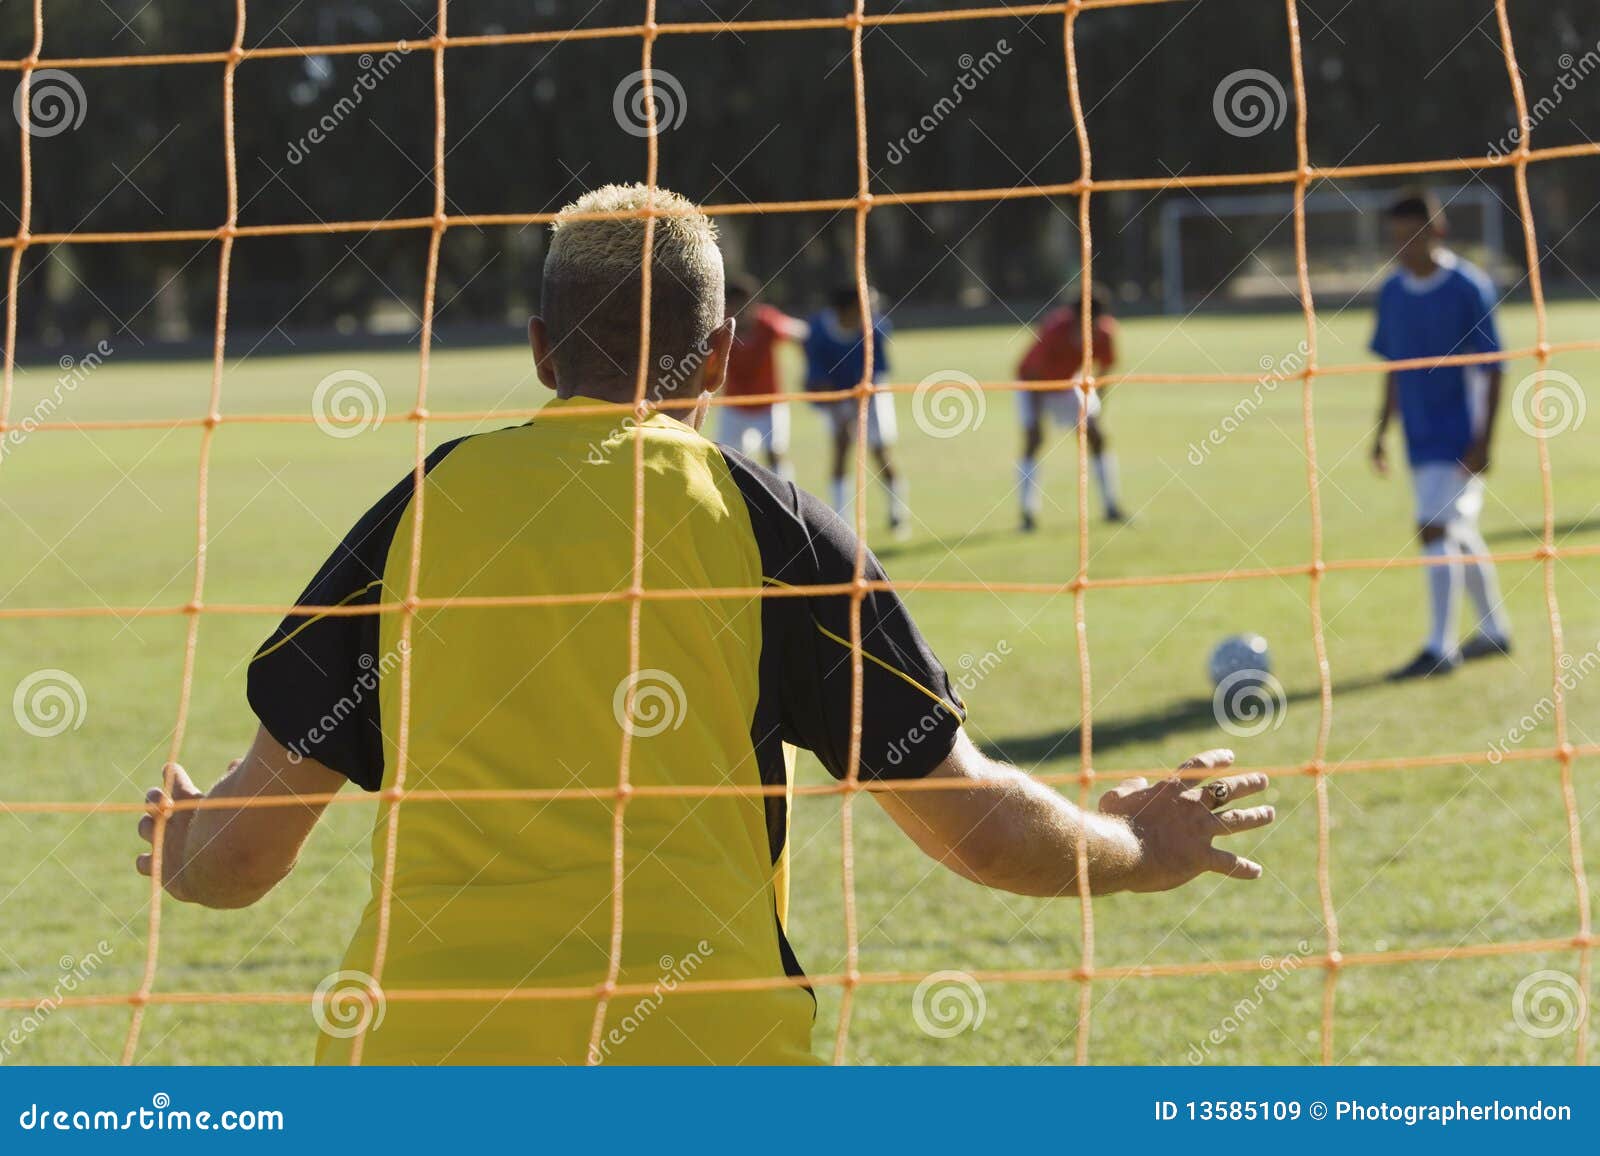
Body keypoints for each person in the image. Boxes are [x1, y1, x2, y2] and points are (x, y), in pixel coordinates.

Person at [135, 183, 1275, 1066]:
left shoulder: (416, 513)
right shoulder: (776, 528)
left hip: (414, 1070)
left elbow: (235, 860)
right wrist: (1138, 847)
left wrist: (183, 845)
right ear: (723, 356)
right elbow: (972, 828)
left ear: (541, 350)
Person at [1370, 187, 1513, 680]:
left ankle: (1439, 648)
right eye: (1396, 238)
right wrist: (1381, 431)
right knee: (1455, 531)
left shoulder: (1468, 286)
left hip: (1459, 434)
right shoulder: (1392, 293)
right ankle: (1494, 631)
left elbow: (1494, 367)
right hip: (1419, 435)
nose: (1405, 247)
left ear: (1438, 232)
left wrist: (1485, 441)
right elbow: (1394, 367)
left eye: (1413, 236)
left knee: (1432, 527)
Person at [803, 283, 909, 535]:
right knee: (840, 449)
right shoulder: (818, 331)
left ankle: (897, 513)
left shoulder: (877, 328)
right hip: (836, 395)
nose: (872, 309)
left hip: (870, 393)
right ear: (849, 307)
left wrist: (858, 409)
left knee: (880, 452)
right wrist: (839, 412)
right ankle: (842, 521)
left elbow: (876, 372)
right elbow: (817, 376)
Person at [1016, 283, 1124, 530]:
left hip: (1067, 384)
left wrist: (1096, 409)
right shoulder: (1055, 329)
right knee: (1033, 440)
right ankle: (1027, 514)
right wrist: (1035, 420)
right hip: (1033, 385)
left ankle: (1111, 506)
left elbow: (1105, 370)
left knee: (1096, 435)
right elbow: (1033, 374)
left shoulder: (1105, 332)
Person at [714, 272, 808, 481]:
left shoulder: (768, 323)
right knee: (723, 458)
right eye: (735, 305)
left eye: (745, 305)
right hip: (735, 404)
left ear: (755, 304)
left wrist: (807, 370)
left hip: (768, 402)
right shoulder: (721, 328)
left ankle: (784, 497)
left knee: (774, 453)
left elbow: (800, 332)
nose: (740, 311)